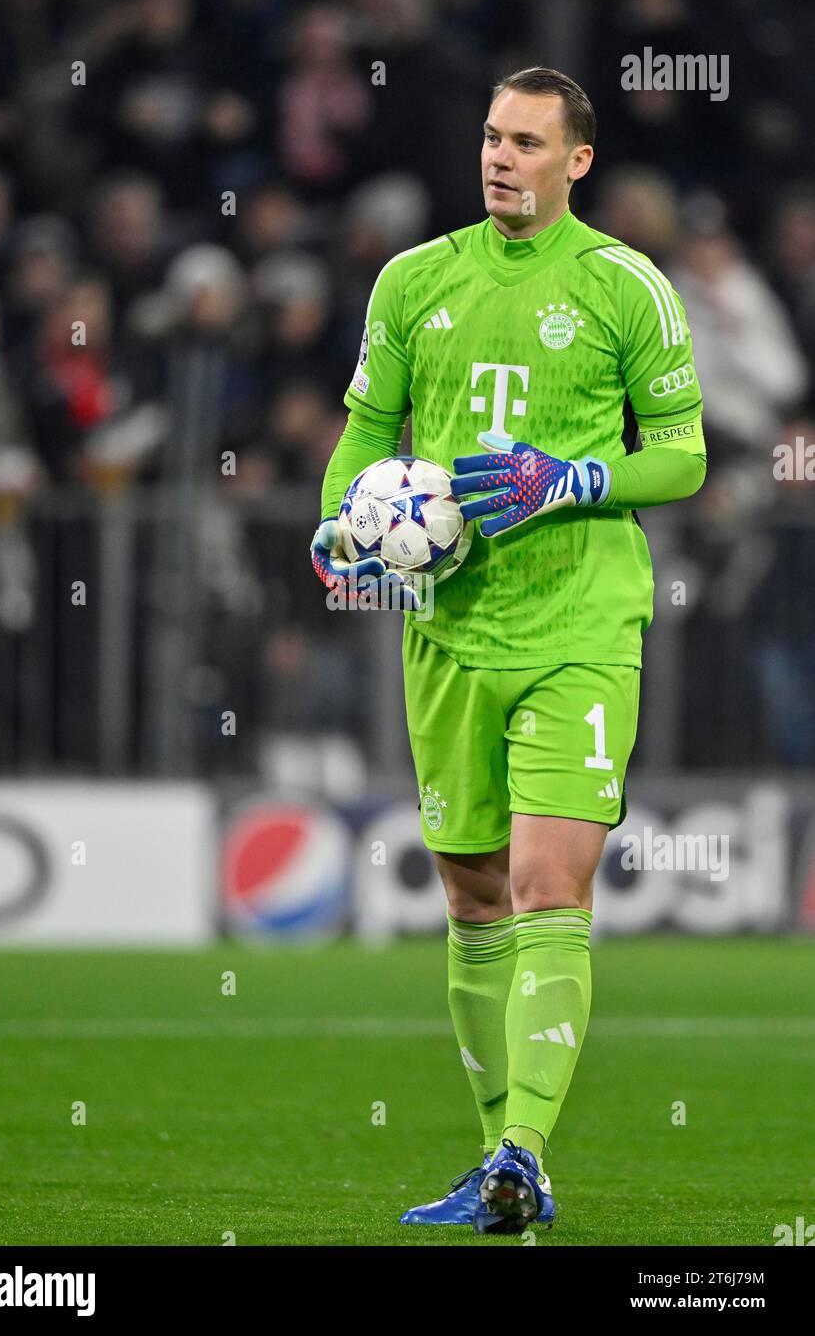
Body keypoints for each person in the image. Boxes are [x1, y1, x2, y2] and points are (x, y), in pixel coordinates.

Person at [310, 67, 707, 1235]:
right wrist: (338, 527)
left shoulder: (625, 287)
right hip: (447, 631)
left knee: (547, 885)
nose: (499, 159)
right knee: (474, 894)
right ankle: (497, 1164)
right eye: (490, 136)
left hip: (579, 625)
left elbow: (682, 455)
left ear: (575, 160)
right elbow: (365, 437)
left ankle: (527, 1147)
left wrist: (574, 476)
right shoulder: (413, 280)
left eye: (526, 142)